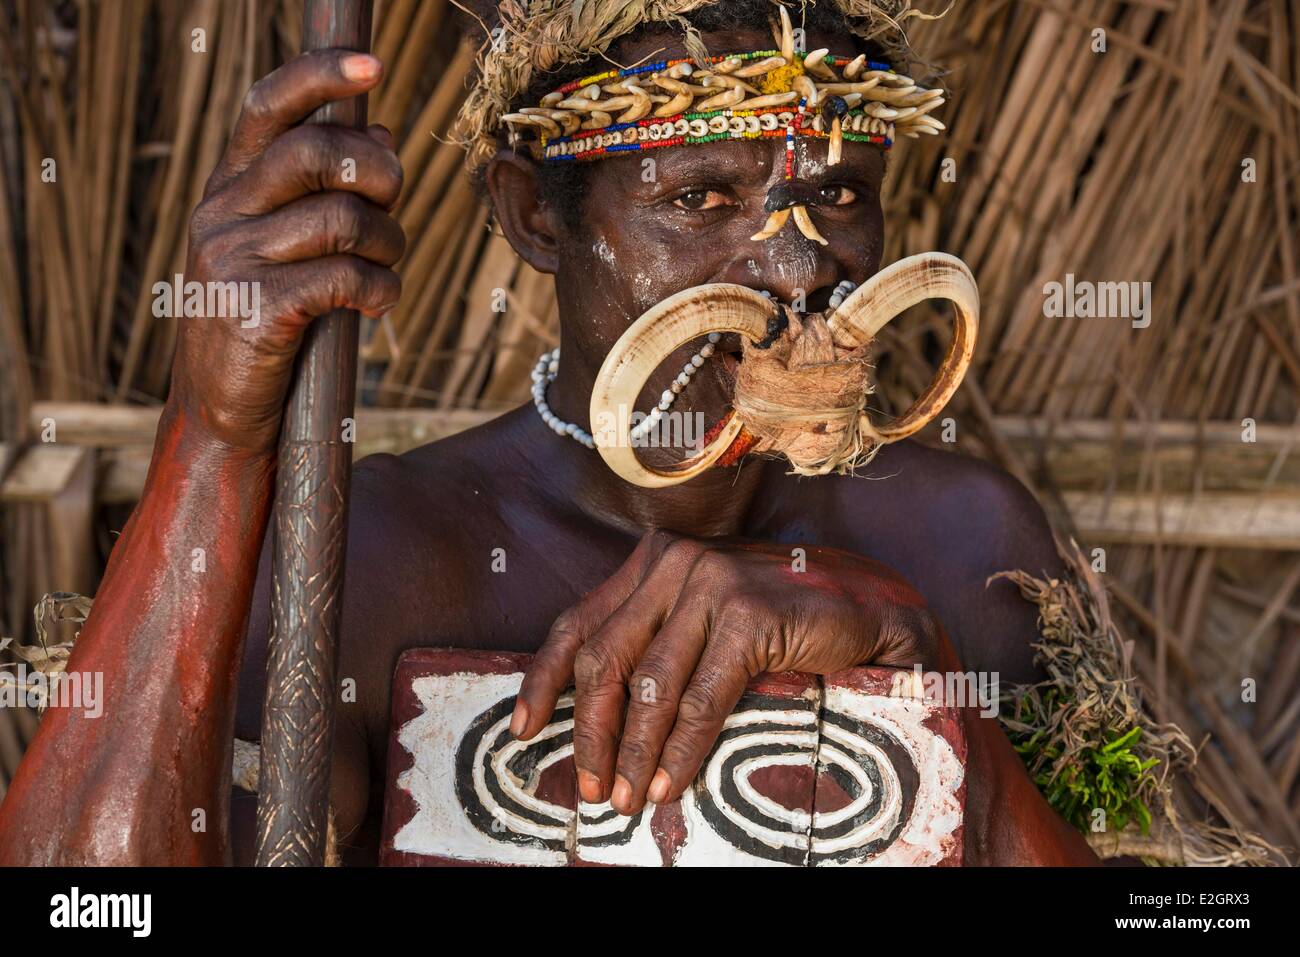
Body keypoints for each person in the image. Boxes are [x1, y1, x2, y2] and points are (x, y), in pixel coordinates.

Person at [0, 0, 1097, 865]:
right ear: (534, 215)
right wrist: (212, 441)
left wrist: (911, 647)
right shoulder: (374, 559)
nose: (804, 269)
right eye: (702, 199)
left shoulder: (964, 545)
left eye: (842, 193)